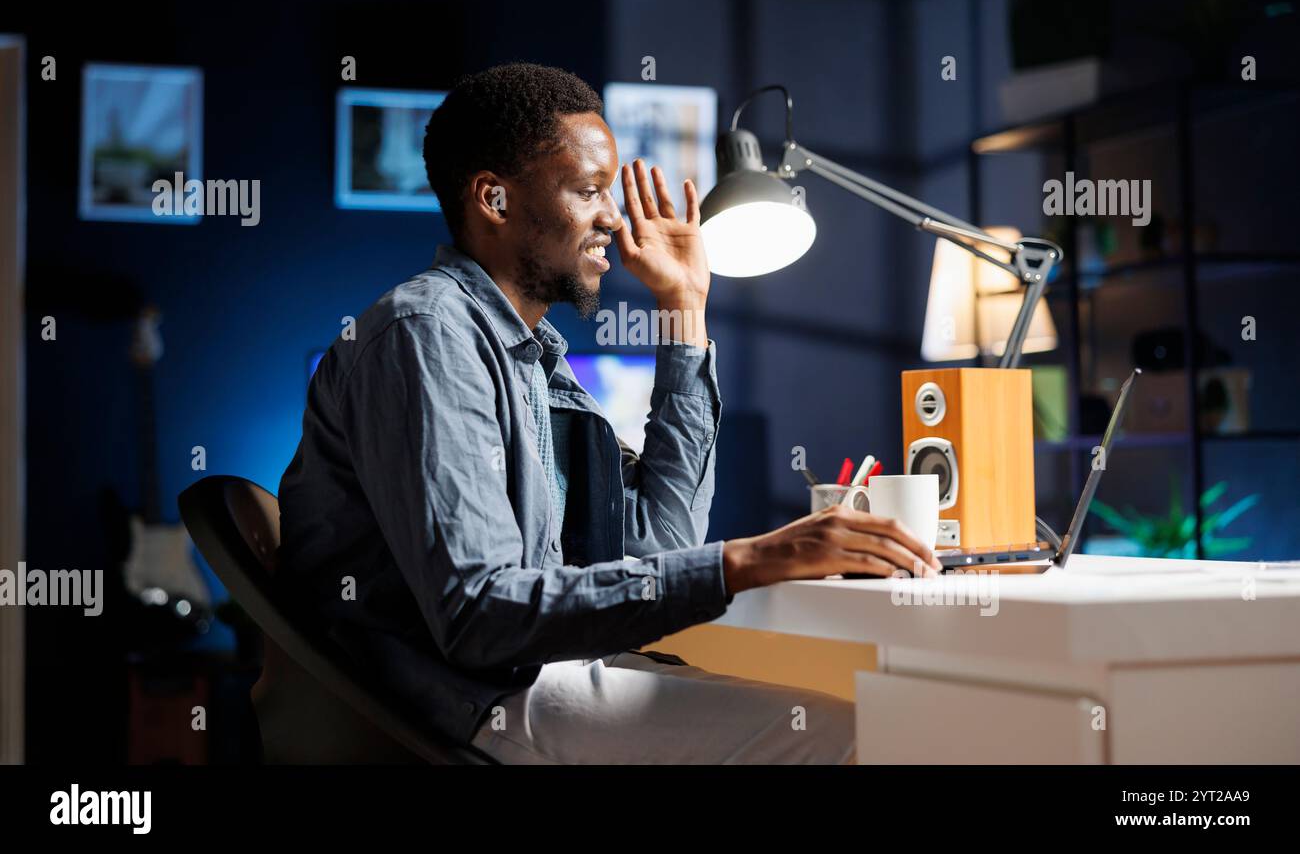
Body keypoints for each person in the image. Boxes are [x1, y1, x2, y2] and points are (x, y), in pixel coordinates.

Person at [277, 62, 942, 764]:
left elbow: (661, 544)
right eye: (589, 191)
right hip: (470, 700)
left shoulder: (533, 357)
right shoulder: (428, 332)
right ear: (494, 199)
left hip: (534, 678)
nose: (614, 219)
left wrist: (684, 309)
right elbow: (479, 613)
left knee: (870, 722)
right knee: (860, 735)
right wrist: (754, 557)